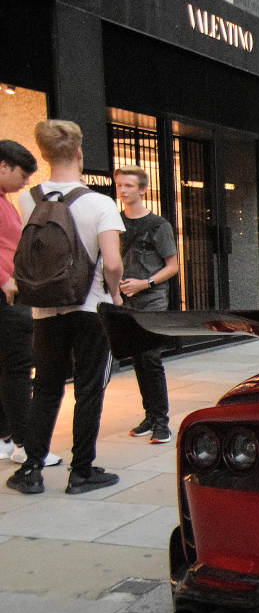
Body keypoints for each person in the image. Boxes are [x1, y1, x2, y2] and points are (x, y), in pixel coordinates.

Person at [8, 120, 124, 495]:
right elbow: (112, 262)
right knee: (89, 389)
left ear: (43, 155)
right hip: (91, 310)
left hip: (46, 310)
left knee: (45, 388)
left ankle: (31, 469)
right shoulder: (100, 203)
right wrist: (116, 294)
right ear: (79, 153)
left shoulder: (28, 200)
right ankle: (82, 471)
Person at [0, 140, 61, 467]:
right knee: (18, 368)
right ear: (4, 166)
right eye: (22, 174)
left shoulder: (5, 200)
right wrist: (3, 277)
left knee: (9, 367)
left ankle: (6, 437)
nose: (26, 182)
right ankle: (24, 443)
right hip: (7, 296)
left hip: (11, 293)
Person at [115, 166, 179, 444]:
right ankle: (149, 416)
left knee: (151, 359)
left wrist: (146, 283)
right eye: (119, 185)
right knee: (138, 359)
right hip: (125, 301)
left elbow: (173, 266)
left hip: (151, 299)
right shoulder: (115, 223)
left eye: (129, 185)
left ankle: (161, 421)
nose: (123, 190)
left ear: (142, 189)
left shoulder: (158, 225)